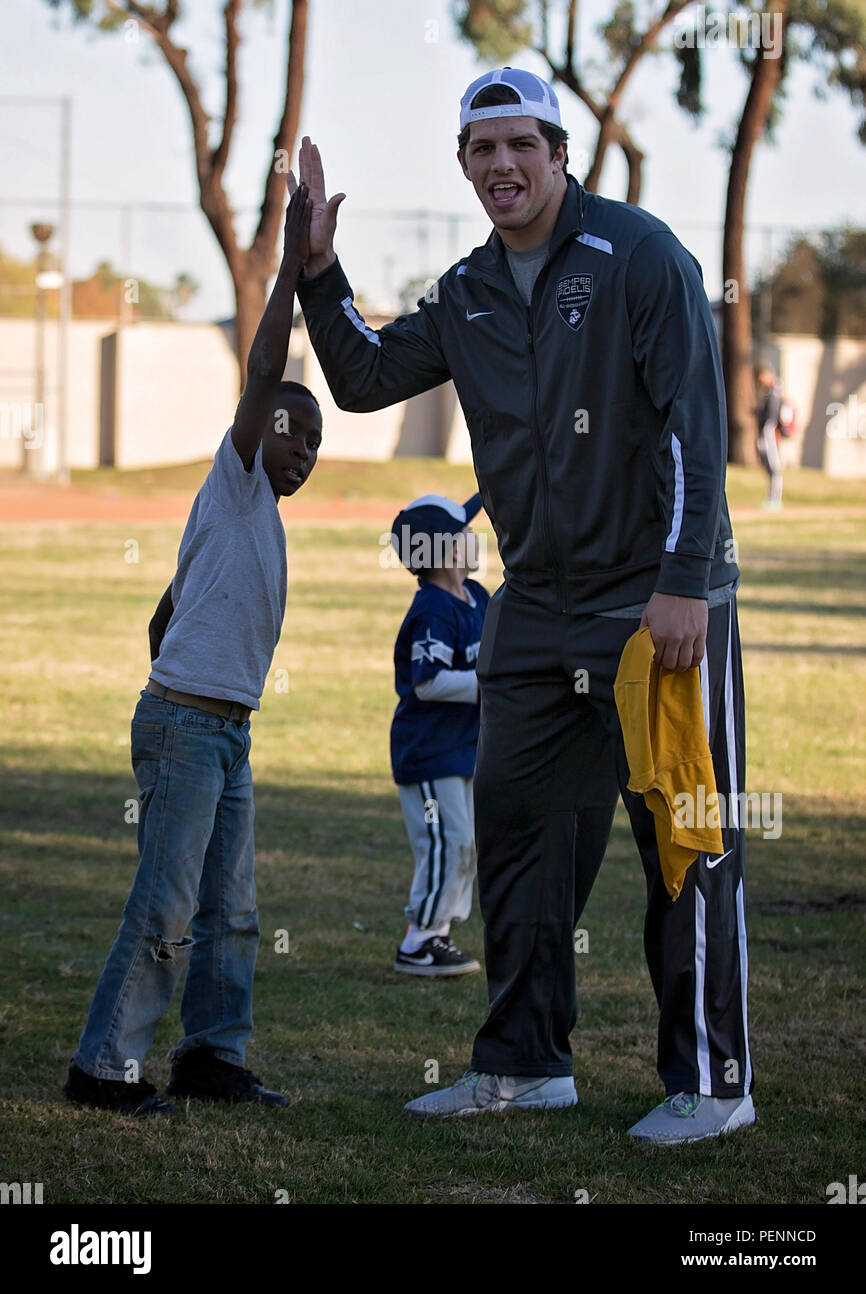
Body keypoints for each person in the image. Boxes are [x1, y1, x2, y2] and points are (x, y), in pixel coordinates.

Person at [291, 67, 754, 1145]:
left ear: (557, 150)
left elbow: (691, 420)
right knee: (515, 841)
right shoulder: (467, 292)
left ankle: (713, 1081)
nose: (501, 165)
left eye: (520, 145)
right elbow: (359, 377)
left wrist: (682, 582)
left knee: (684, 840)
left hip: (653, 605)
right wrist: (319, 271)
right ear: (463, 165)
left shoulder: (638, 257)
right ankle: (521, 1066)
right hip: (534, 612)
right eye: (480, 150)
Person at [63, 182, 320, 1117]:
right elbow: (265, 373)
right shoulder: (241, 472)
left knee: (232, 914)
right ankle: (102, 1069)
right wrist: (293, 263)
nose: (306, 451)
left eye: (318, 445)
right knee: (167, 910)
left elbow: (166, 613)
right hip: (186, 729)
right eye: (297, 432)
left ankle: (211, 1056)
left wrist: (185, 682)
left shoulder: (247, 523)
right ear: (262, 429)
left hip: (223, 732)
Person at [389, 492, 489, 977]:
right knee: (448, 841)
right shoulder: (432, 610)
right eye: (467, 534)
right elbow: (428, 682)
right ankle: (419, 939)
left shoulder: (479, 598)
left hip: (464, 750)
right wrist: (492, 686)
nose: (477, 540)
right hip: (429, 754)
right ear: (448, 551)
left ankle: (439, 933)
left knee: (468, 843)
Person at [755, 361, 784, 509]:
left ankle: (775, 499)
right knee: (768, 466)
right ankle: (771, 496)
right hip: (765, 431)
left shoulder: (775, 391)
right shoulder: (768, 392)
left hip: (770, 431)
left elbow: (773, 417)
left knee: (774, 466)